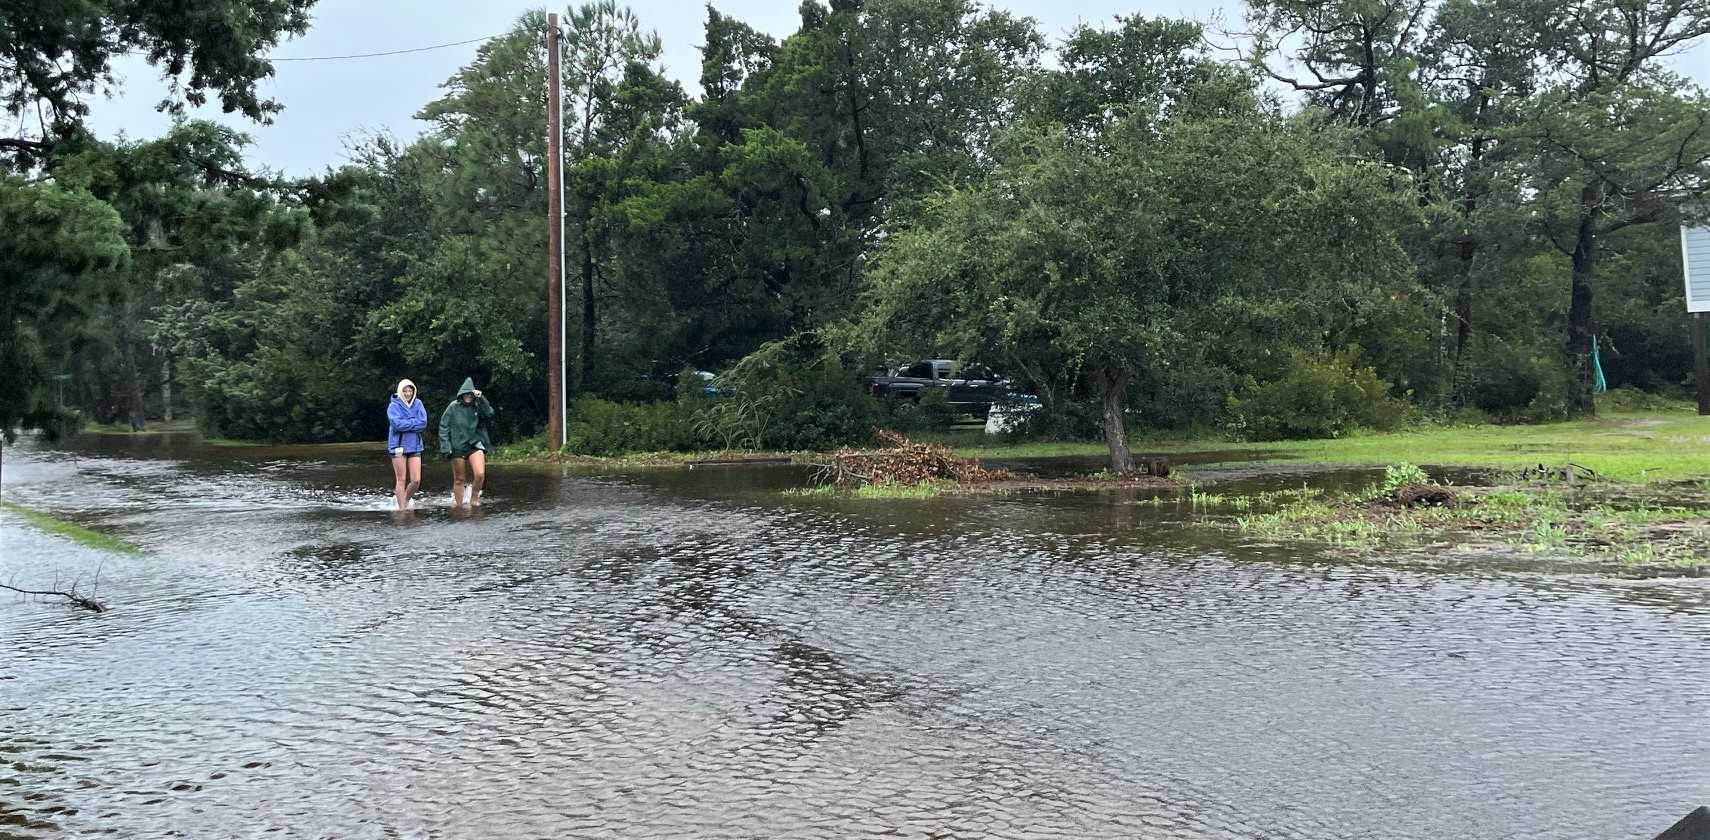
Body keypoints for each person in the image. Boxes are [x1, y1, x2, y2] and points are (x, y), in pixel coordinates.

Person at [439, 377, 494, 508]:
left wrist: (481, 398)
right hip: (457, 445)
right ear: (461, 394)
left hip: (475, 443)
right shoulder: (453, 407)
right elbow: (443, 426)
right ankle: (458, 507)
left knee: (480, 474)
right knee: (459, 479)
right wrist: (446, 447)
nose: (468, 396)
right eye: (466, 394)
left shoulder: (477, 405)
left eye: (471, 394)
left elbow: (490, 413)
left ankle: (474, 500)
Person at [386, 379, 428, 510]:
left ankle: (405, 499)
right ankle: (402, 508)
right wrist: (413, 423)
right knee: (401, 479)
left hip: (414, 445)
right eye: (405, 391)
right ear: (400, 391)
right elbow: (397, 425)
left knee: (416, 480)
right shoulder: (394, 406)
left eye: (410, 391)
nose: (408, 393)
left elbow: (423, 423)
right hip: (398, 446)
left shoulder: (418, 403)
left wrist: (407, 423)